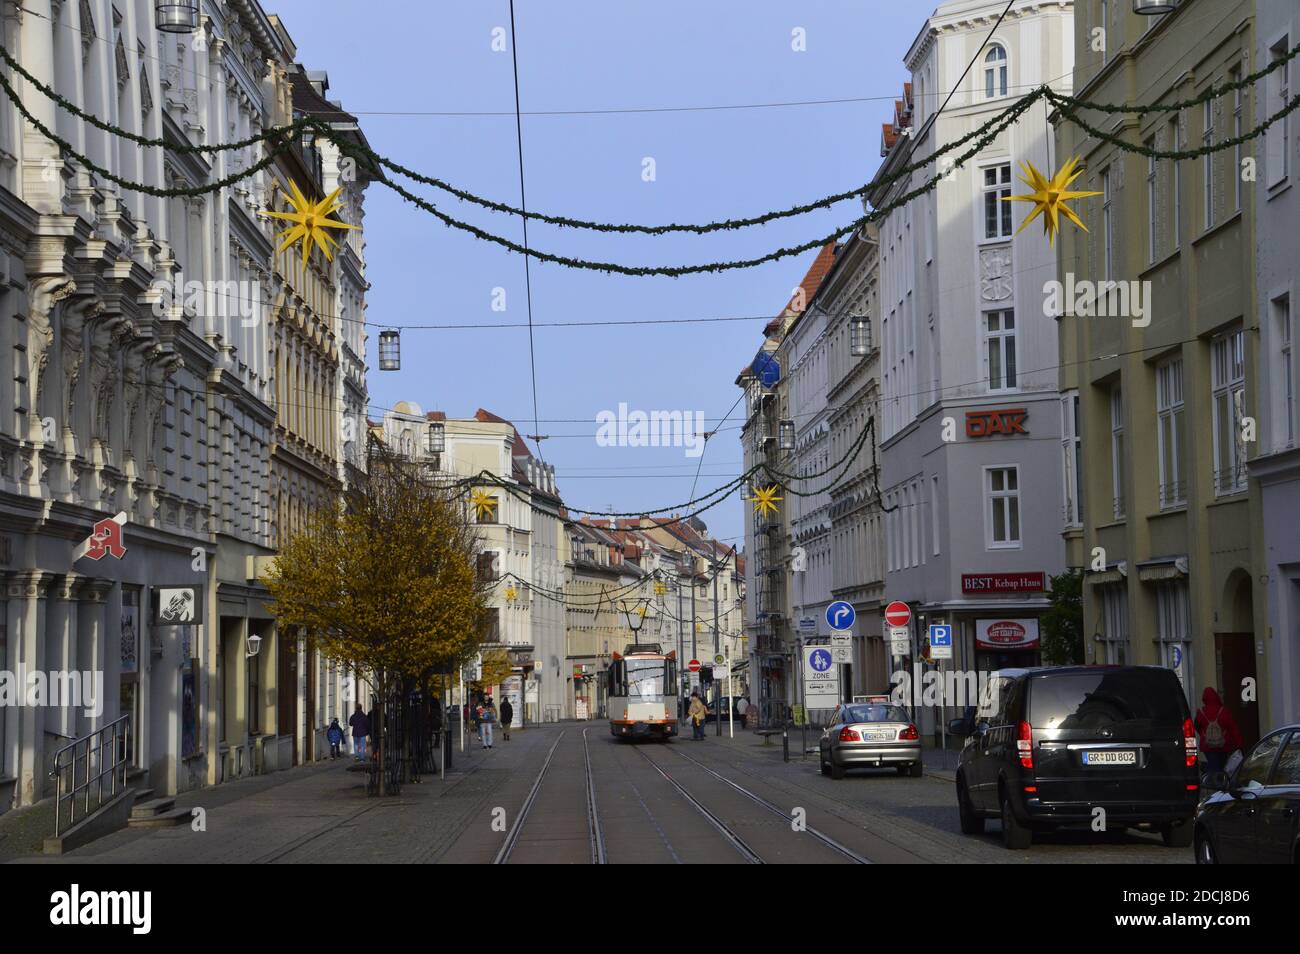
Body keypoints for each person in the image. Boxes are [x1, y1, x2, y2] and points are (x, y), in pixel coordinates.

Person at [1194, 687, 1244, 775]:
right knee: (1221, 765)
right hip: (1223, 745)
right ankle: (1219, 782)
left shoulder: (1200, 712)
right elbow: (1233, 728)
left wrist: (1204, 735)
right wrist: (1239, 744)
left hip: (1208, 745)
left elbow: (1196, 726)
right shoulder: (1224, 711)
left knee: (1214, 766)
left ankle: (1212, 779)